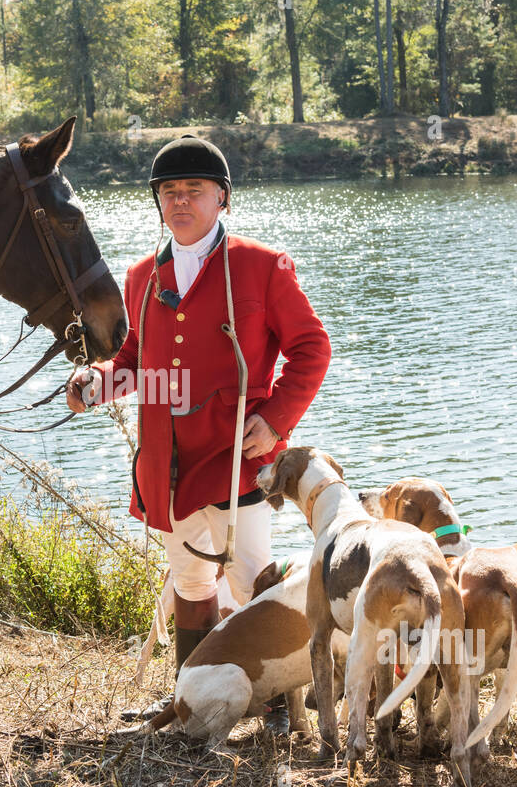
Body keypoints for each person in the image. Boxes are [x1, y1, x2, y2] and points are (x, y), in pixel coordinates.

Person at [67, 135, 330, 731]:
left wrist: (277, 418)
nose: (179, 201)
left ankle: (273, 709)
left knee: (254, 581)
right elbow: (134, 360)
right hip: (169, 464)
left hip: (241, 454)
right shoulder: (142, 275)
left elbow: (312, 348)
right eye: (168, 191)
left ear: (223, 199)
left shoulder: (264, 265)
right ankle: (192, 700)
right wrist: (97, 380)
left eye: (193, 190)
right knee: (190, 581)